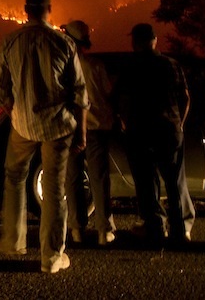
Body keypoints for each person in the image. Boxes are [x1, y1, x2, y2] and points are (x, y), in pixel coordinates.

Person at [0, 0, 87, 274]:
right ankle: (51, 257)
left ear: (24, 9)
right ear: (50, 8)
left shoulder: (10, 41)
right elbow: (80, 92)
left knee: (14, 176)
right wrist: (81, 131)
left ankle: (14, 240)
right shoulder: (63, 42)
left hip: (22, 125)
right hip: (58, 126)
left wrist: (16, 112)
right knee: (55, 192)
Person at [115, 23, 194, 248]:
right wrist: (180, 122)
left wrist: (125, 122)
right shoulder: (171, 64)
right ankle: (180, 231)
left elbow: (121, 98)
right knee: (174, 181)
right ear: (155, 40)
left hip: (140, 132)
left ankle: (155, 228)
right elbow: (185, 97)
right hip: (170, 130)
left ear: (134, 42)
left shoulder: (130, 67)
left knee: (146, 182)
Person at [61, 20, 117, 246]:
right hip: (97, 128)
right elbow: (108, 94)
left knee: (72, 179)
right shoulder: (95, 66)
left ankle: (76, 229)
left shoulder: (63, 68)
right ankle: (104, 231)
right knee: (99, 178)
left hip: (71, 129)